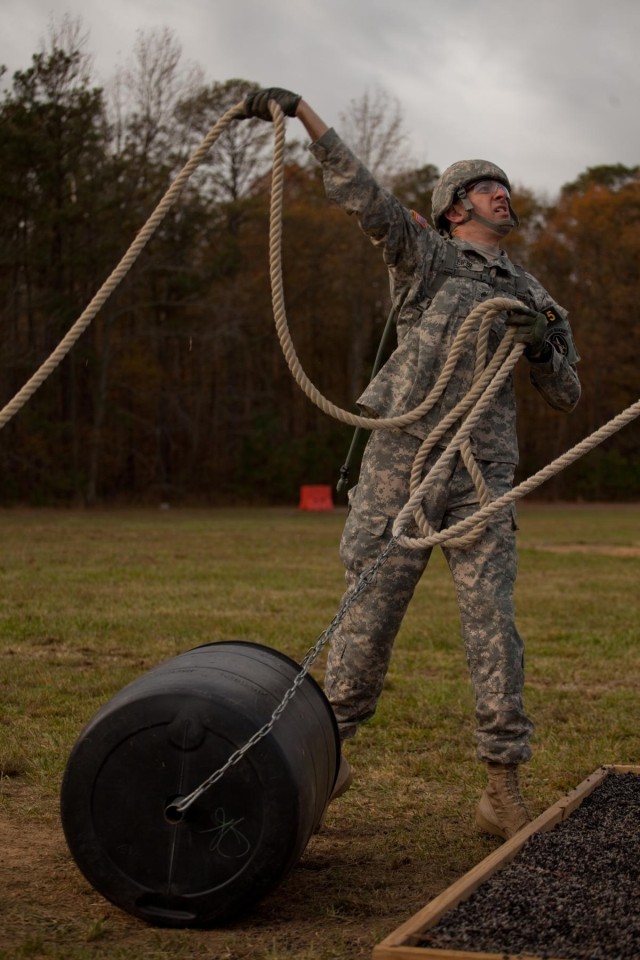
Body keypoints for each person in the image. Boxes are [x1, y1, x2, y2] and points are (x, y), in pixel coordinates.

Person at [237, 88, 581, 840]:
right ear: (456, 207)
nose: (505, 195)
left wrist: (542, 342)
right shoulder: (425, 259)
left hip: (482, 477)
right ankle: (329, 758)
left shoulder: (533, 295)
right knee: (367, 619)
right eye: (490, 187)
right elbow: (366, 197)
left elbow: (566, 392)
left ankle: (500, 785)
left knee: (495, 625)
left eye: (508, 187)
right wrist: (303, 117)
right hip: (404, 462)